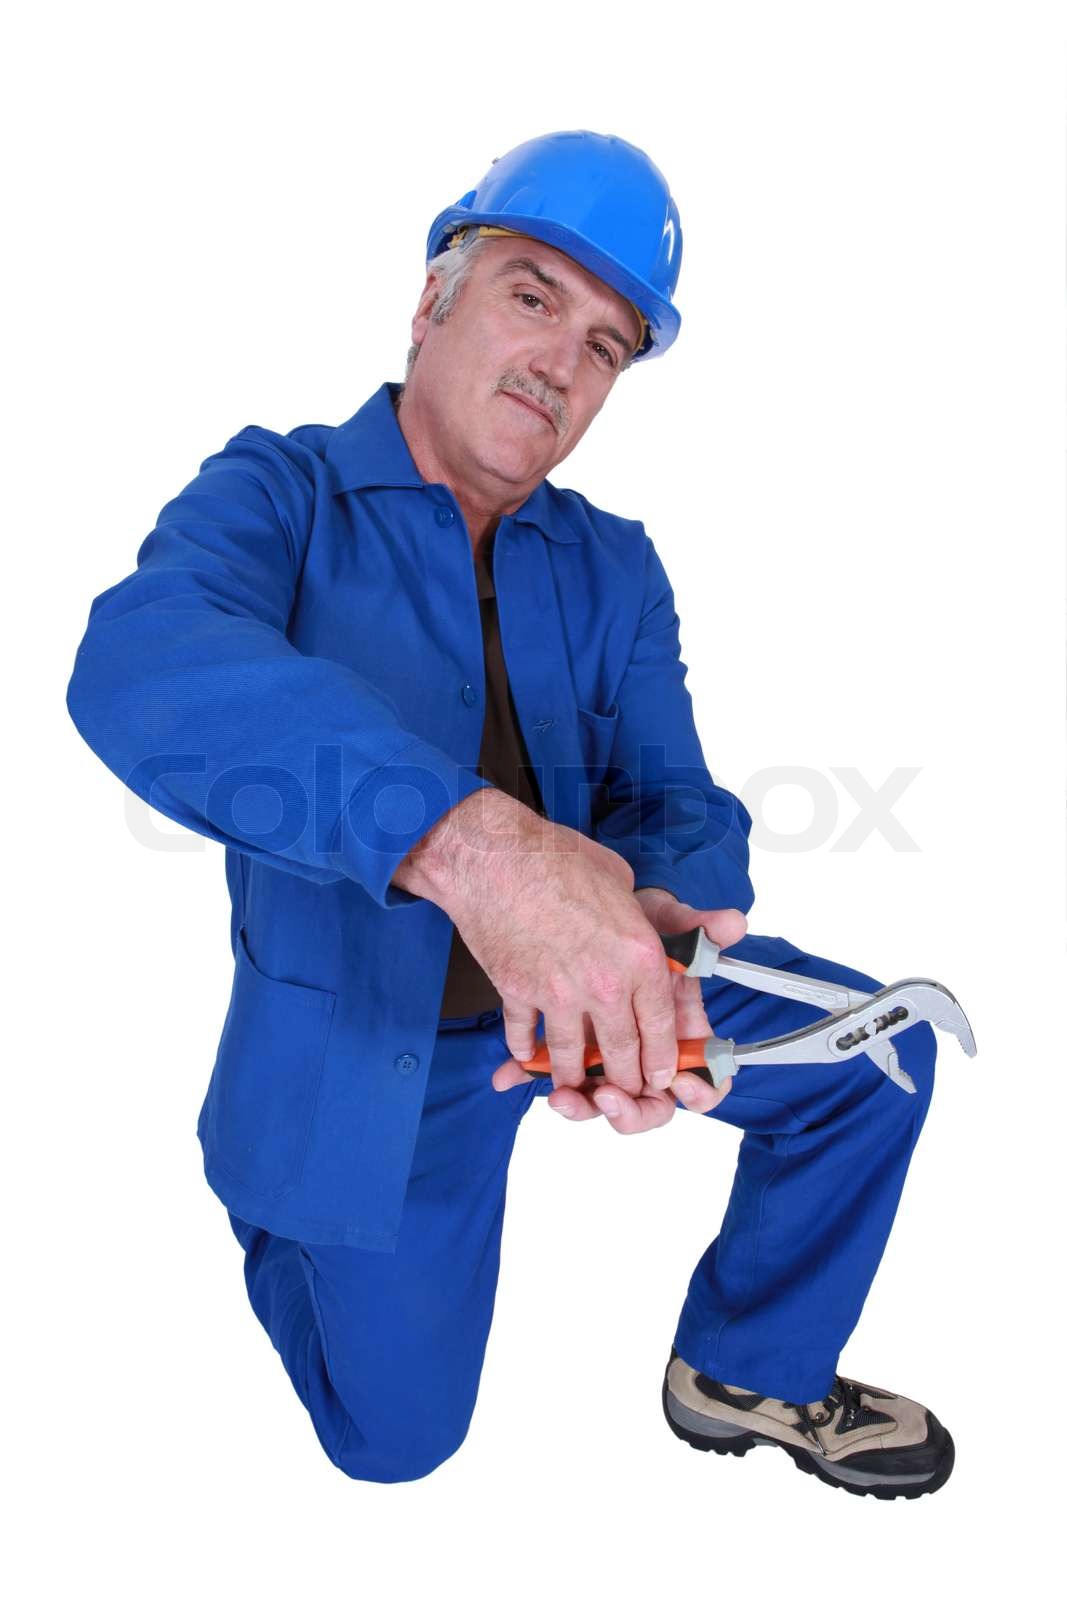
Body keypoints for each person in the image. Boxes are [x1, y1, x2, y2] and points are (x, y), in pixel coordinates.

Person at [66, 129, 951, 1499]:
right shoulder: (279, 492)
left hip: (598, 992)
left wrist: (665, 914)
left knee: (879, 1055)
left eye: (605, 345)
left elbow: (671, 791)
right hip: (383, 1052)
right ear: (434, 298)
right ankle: (279, 1218)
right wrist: (480, 850)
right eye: (533, 296)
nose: (560, 363)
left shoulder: (614, 564)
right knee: (395, 1444)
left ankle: (746, 1369)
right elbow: (140, 661)